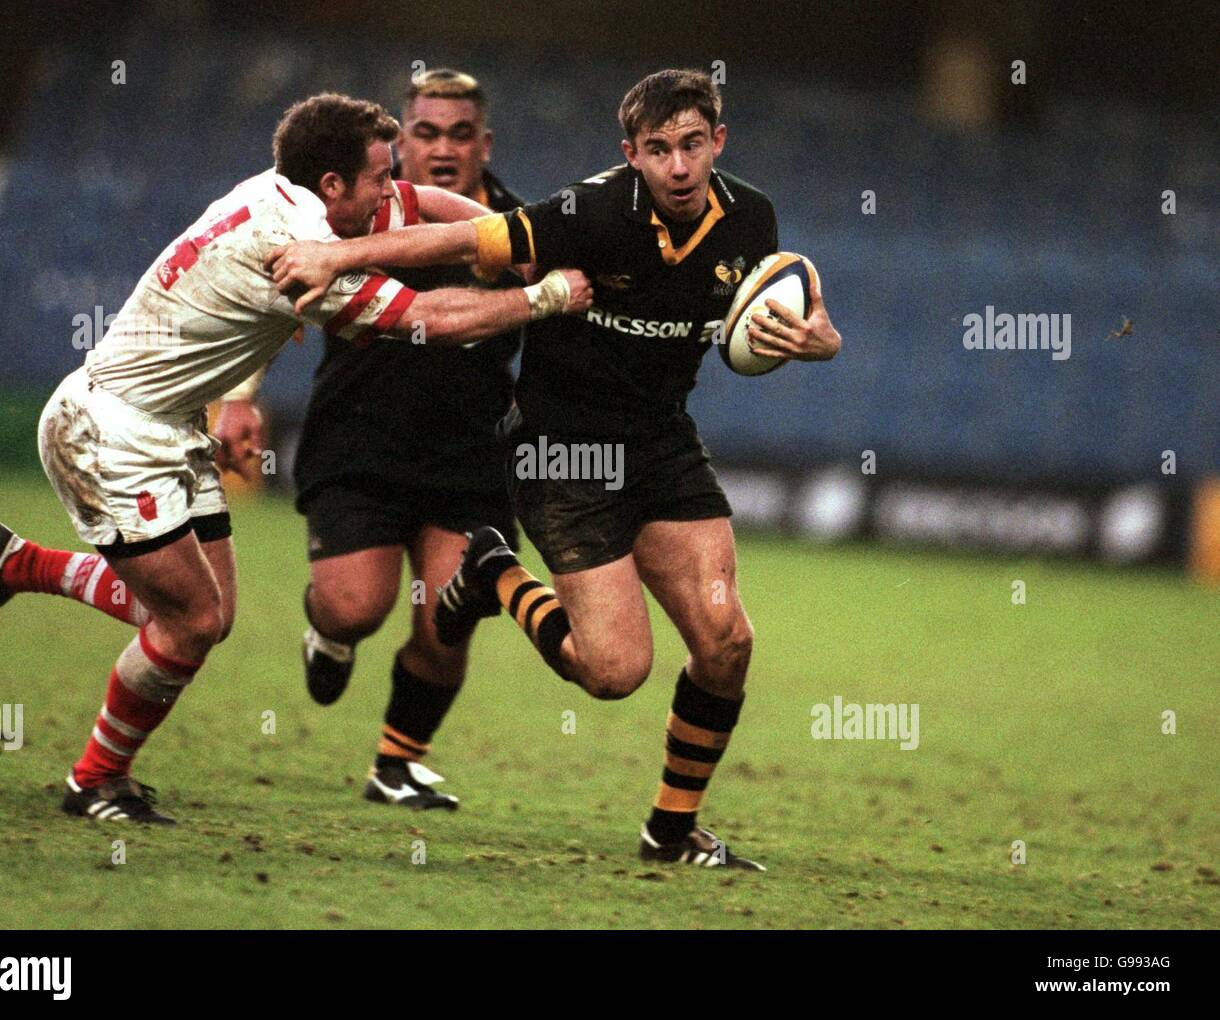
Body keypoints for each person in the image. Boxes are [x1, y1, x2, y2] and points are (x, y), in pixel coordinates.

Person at [0, 92, 591, 824]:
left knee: (206, 616)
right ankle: (94, 779)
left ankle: (18, 564)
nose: (392, 188)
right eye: (379, 176)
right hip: (109, 436)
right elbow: (429, 320)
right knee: (188, 624)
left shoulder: (294, 193)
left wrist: (514, 234)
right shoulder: (298, 258)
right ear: (333, 187)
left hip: (168, 424)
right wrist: (547, 294)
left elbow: (422, 201)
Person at [266, 70, 841, 869]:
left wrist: (824, 342)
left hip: (662, 446)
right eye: (658, 150)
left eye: (692, 146)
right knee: (613, 674)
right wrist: (340, 255)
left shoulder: (754, 221)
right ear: (631, 154)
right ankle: (496, 570)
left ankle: (670, 834)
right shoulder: (593, 213)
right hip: (561, 451)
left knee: (726, 642)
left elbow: (788, 319)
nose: (678, 167)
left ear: (718, 141)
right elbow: (467, 242)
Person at [217, 70, 529, 812]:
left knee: (447, 623)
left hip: (469, 454)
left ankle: (396, 765)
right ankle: (327, 634)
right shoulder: (343, 215)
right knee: (356, 606)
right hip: (361, 442)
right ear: (400, 138)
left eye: (460, 134)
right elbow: (267, 293)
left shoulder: (519, 229)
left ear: (484, 144)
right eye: (426, 132)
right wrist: (237, 396)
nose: (443, 148)